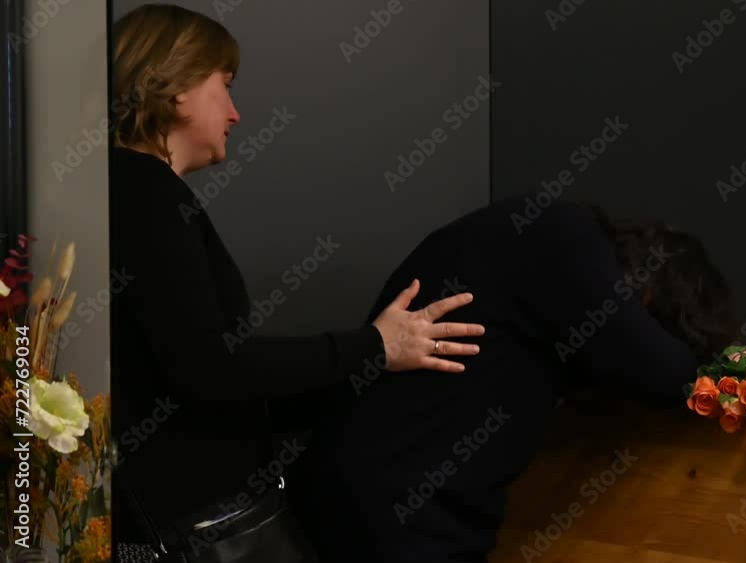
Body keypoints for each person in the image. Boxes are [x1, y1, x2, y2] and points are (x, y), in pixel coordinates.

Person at [108, 4, 485, 561]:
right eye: (224, 85)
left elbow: (197, 377)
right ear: (177, 86)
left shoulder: (132, 190)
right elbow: (209, 367)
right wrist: (375, 347)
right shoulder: (144, 190)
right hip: (205, 527)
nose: (235, 113)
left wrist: (368, 372)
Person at [288, 196, 736, 562]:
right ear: (651, 295)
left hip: (381, 510)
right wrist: (725, 370)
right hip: (394, 517)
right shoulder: (563, 235)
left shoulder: (536, 256)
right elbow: (660, 371)